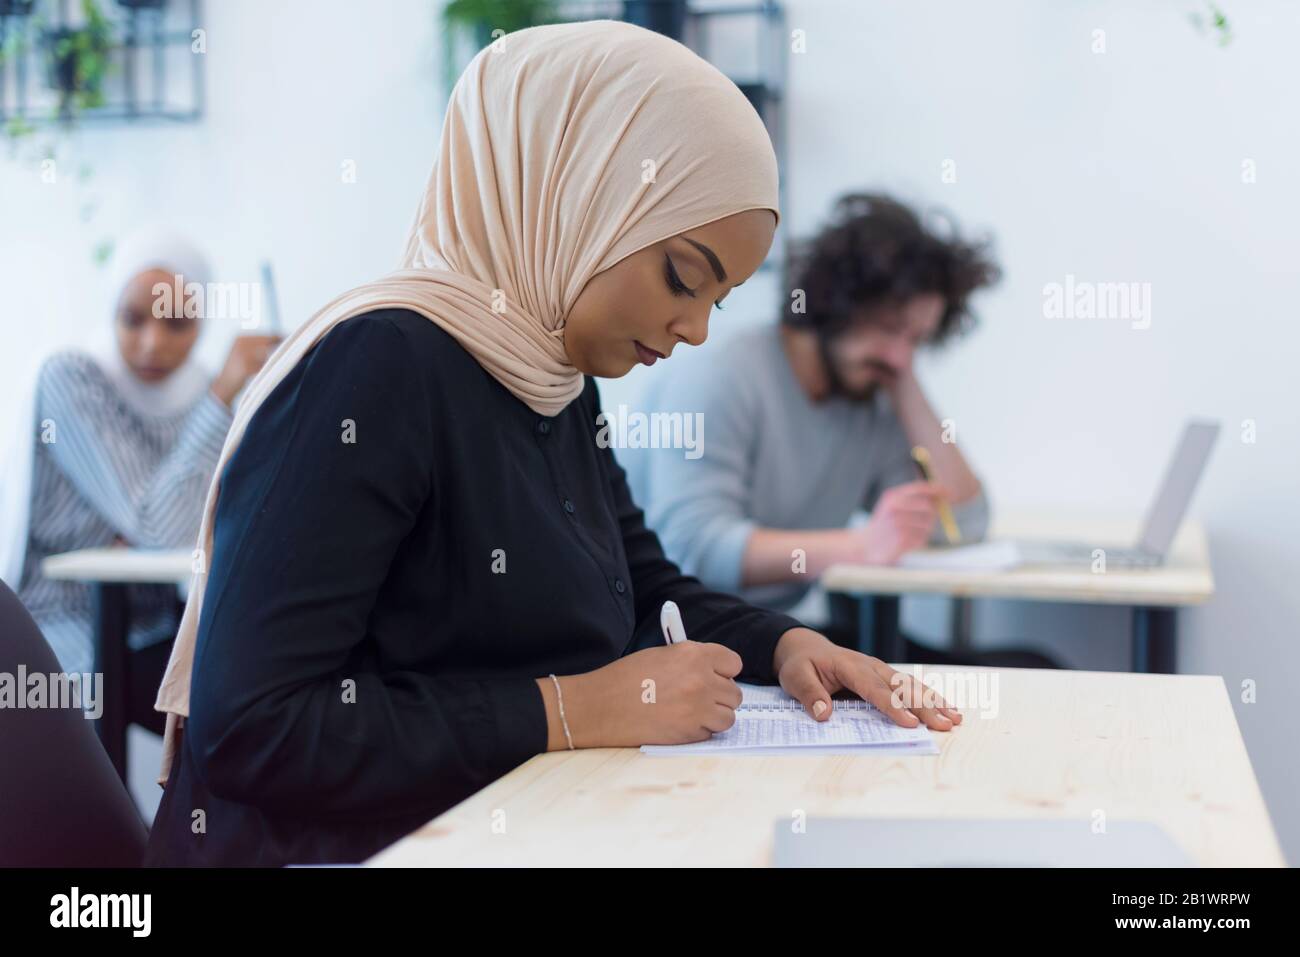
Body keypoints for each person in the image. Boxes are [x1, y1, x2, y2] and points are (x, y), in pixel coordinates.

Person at [144, 22, 962, 867]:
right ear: (576, 196)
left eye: (719, 299)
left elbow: (644, 590)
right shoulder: (378, 366)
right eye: (684, 276)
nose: (694, 329)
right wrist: (571, 709)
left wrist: (791, 645)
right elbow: (257, 727)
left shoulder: (553, 378)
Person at [622, 193, 1001, 632]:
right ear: (836, 303)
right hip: (684, 634)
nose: (900, 354)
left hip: (774, 631)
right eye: (889, 328)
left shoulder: (873, 394)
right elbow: (694, 547)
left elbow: (964, 524)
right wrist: (861, 546)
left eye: (917, 338)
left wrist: (906, 386)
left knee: (1025, 662)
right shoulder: (723, 376)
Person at [0, 232, 279, 698]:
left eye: (176, 324)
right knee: (217, 701)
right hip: (59, 623)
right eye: (132, 320)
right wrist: (221, 396)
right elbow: (158, 524)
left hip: (155, 621)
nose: (152, 344)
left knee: (263, 679)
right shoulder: (71, 377)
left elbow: (217, 520)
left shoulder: (199, 390)